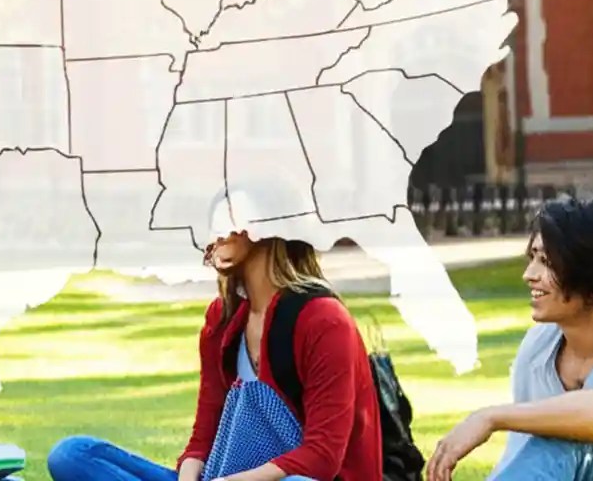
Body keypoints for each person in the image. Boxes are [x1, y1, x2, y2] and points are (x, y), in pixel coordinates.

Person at [48, 196, 381, 481]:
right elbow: (202, 438)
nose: (215, 231)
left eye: (231, 217)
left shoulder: (323, 319)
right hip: (226, 474)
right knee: (72, 455)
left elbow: (322, 456)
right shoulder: (222, 319)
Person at [427, 196, 593, 481]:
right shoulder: (540, 347)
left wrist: (491, 417)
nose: (529, 275)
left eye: (546, 262)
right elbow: (525, 456)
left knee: (563, 436)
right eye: (532, 257)